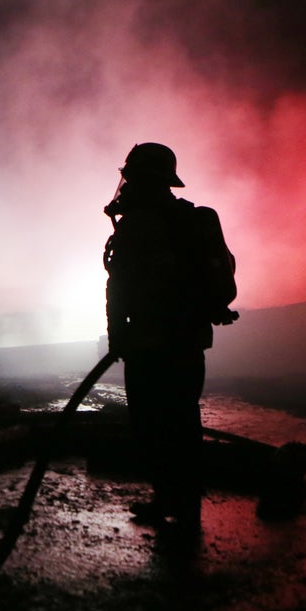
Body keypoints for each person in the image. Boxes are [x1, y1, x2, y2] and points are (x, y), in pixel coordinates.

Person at [102, 143, 237, 537]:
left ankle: (168, 500)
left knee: (150, 425)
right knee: (182, 422)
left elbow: (118, 288)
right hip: (188, 342)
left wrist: (117, 336)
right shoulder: (194, 221)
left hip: (148, 344)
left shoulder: (137, 225)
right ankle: (184, 507)